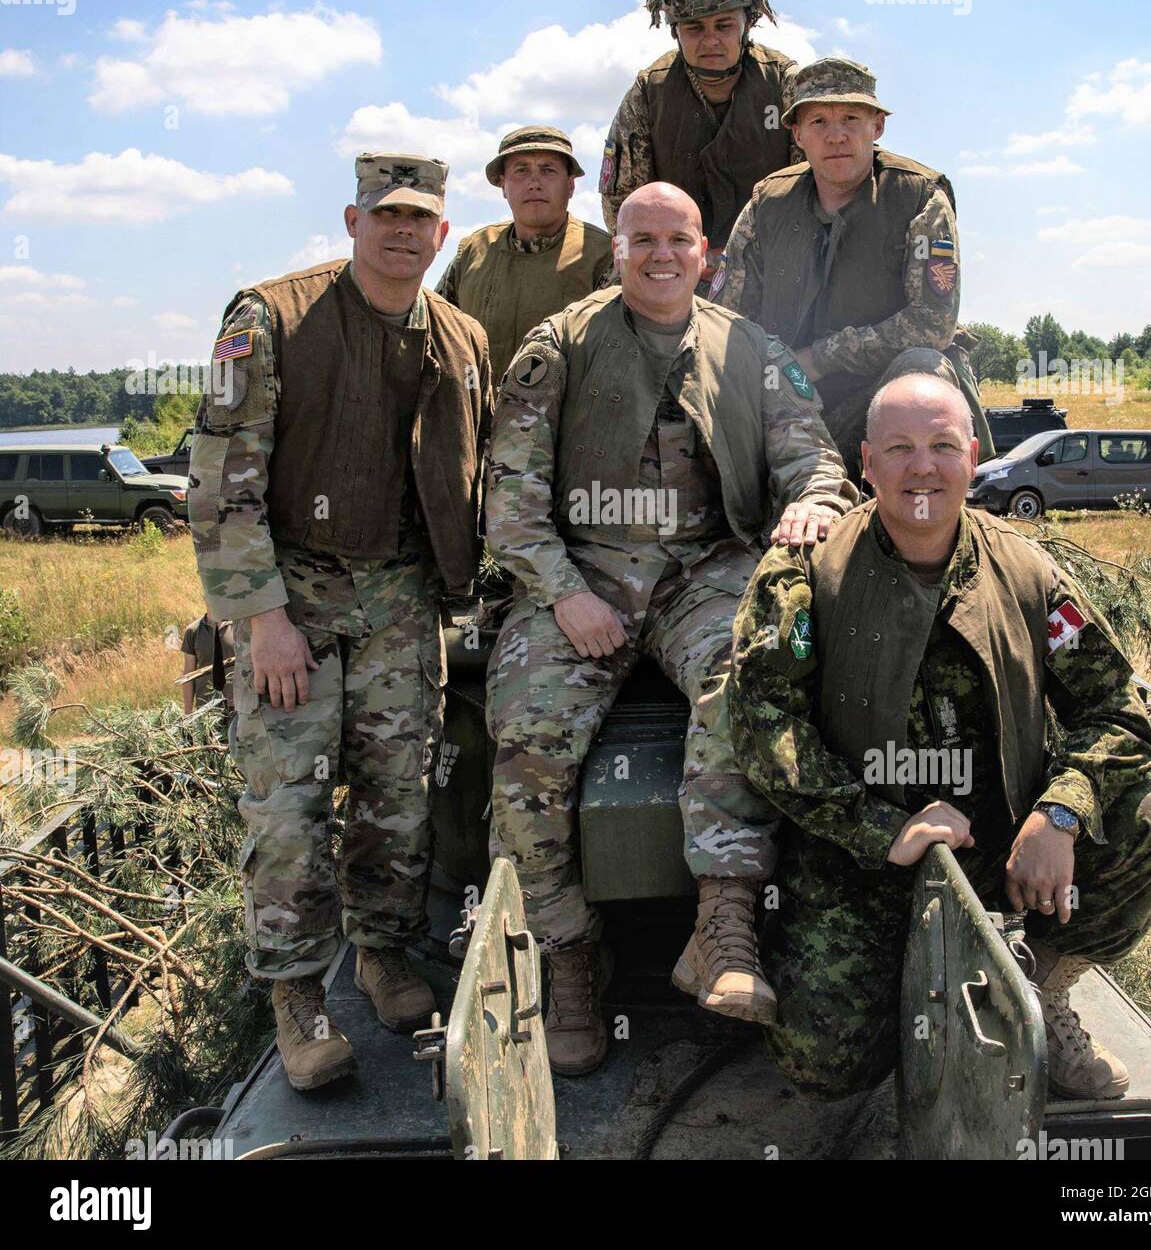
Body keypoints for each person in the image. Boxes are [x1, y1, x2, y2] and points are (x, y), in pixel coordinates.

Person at [729, 372, 1151, 1104]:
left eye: (943, 446)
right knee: (823, 1067)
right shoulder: (807, 571)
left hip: (1003, 847)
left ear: (973, 456)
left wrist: (1060, 813)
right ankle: (925, 989)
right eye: (901, 448)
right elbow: (762, 729)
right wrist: (882, 828)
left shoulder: (1027, 569)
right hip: (862, 859)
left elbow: (1118, 706)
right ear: (866, 462)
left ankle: (1038, 989)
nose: (923, 468)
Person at [486, 180, 857, 1076]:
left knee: (752, 673)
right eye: (641, 238)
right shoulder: (561, 346)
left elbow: (813, 454)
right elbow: (510, 502)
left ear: (705, 254)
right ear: (616, 248)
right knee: (529, 740)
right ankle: (567, 952)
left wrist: (812, 502)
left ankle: (723, 924)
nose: (660, 255)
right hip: (583, 573)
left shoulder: (752, 351)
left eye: (677, 240)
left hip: (706, 567)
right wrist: (563, 592)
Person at [188, 153, 492, 1091]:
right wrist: (262, 619)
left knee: (399, 798)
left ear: (443, 236)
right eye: (385, 215)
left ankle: (385, 954)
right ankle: (297, 997)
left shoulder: (460, 336)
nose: (403, 233)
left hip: (403, 597)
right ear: (352, 221)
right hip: (297, 600)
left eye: (421, 220)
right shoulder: (273, 319)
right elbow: (221, 480)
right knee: (287, 809)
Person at [711, 56, 995, 481]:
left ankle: (937, 508)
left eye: (850, 118)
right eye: (819, 122)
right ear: (797, 133)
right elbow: (727, 320)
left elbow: (931, 325)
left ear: (877, 126)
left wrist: (821, 356)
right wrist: (776, 369)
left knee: (925, 364)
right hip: (792, 391)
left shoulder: (918, 196)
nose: (836, 135)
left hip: (885, 391)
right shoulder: (767, 203)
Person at [601, 0, 798, 290]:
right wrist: (680, 257)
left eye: (723, 26)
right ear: (676, 32)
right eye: (694, 29)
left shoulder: (783, 83)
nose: (710, 41)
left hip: (773, 265)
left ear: (747, 23)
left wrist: (745, 259)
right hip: (674, 267)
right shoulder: (651, 91)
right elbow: (622, 204)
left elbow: (814, 187)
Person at [436, 126, 614, 377]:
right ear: (503, 186)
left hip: (566, 414)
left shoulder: (603, 255)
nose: (534, 183)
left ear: (570, 186)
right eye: (521, 171)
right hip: (478, 412)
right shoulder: (473, 251)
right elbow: (438, 329)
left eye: (548, 170)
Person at [179, 611, 234, 713]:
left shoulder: (237, 627)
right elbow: (189, 674)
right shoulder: (193, 631)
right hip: (206, 707)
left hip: (237, 705)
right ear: (205, 598)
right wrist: (188, 713)